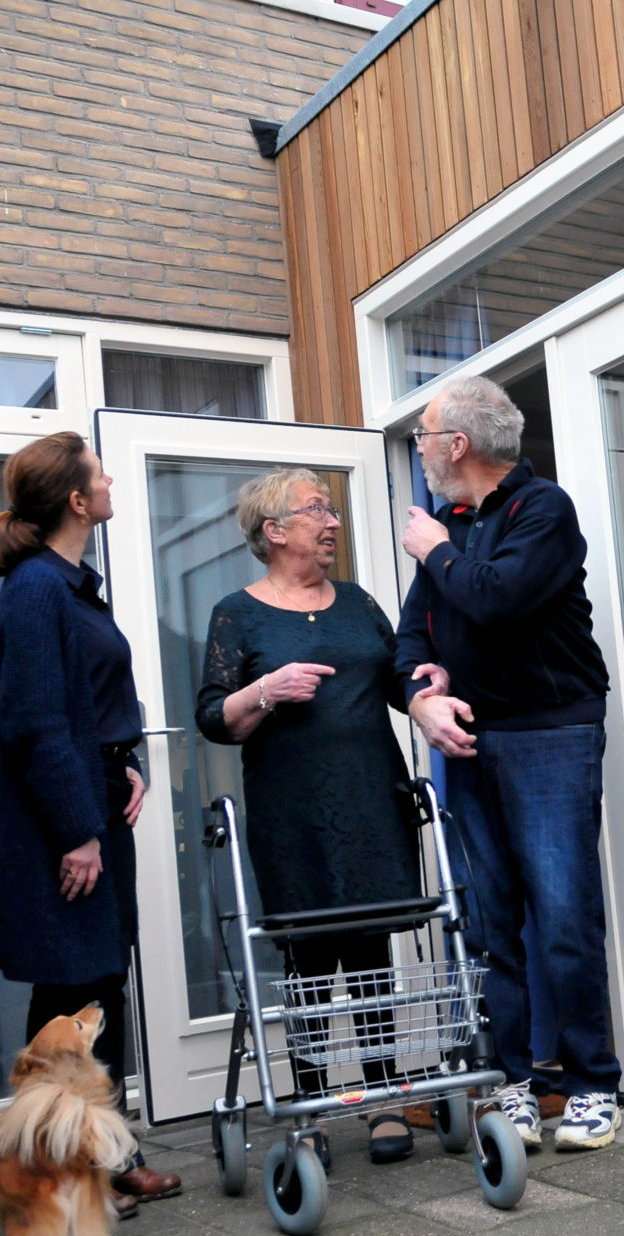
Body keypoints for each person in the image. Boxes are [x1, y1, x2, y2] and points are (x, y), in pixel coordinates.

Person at [395, 376, 621, 1152]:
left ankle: (592, 1085)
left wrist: (435, 550)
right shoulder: (450, 526)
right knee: (493, 923)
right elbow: (412, 641)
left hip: (550, 734)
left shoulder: (541, 511)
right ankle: (517, 1086)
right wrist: (419, 699)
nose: (419, 450)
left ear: (456, 444)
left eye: (424, 435)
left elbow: (494, 599)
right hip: (468, 743)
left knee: (561, 914)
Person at [196, 469, 435, 1167]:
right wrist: (265, 689)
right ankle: (312, 1108)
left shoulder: (358, 602)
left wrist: (428, 689)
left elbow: (398, 678)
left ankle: (385, 1098)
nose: (331, 521)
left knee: (370, 954)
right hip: (291, 809)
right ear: (273, 530)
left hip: (369, 798)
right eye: (316, 510)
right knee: (308, 960)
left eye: (331, 509)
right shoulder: (236, 614)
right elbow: (213, 716)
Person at [0, 432, 181, 1213]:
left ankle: (110, 1155)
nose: (111, 478)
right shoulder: (35, 588)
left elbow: (86, 705)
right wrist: (77, 831)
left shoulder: (67, 584)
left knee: (100, 986)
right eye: (101, 472)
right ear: (75, 498)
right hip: (56, 823)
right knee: (69, 998)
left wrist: (125, 767)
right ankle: (64, 1171)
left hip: (89, 800)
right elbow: (35, 723)